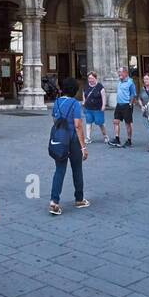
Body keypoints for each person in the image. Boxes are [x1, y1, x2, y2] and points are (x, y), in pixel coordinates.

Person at [48, 76, 89, 214]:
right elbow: (78, 125)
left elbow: (55, 119)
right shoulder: (75, 104)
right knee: (77, 169)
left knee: (59, 170)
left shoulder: (57, 102)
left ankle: (54, 201)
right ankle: (79, 199)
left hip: (60, 140)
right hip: (73, 141)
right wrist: (83, 146)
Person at [110, 67, 138, 147]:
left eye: (120, 72)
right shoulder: (119, 82)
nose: (119, 74)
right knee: (115, 121)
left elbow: (133, 94)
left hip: (126, 105)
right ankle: (117, 139)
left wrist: (130, 104)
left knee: (127, 123)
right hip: (119, 104)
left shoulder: (130, 82)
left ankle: (129, 140)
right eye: (118, 72)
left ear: (125, 73)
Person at [82, 72, 107, 144]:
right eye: (89, 78)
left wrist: (103, 105)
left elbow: (103, 97)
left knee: (100, 123)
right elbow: (84, 94)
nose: (90, 80)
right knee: (88, 122)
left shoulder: (100, 87)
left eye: (92, 78)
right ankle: (88, 138)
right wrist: (84, 101)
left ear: (95, 78)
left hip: (98, 108)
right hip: (88, 108)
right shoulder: (86, 86)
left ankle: (105, 136)